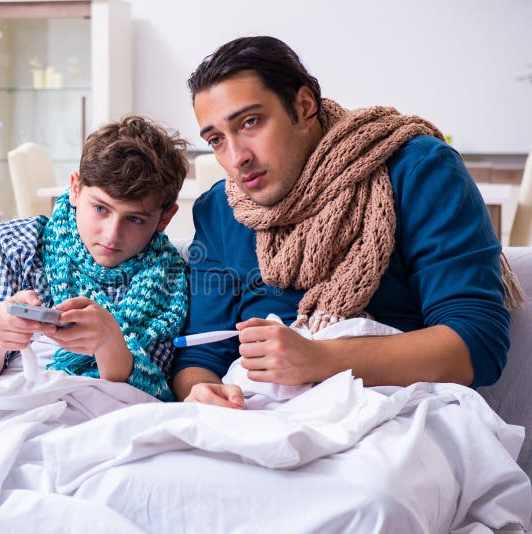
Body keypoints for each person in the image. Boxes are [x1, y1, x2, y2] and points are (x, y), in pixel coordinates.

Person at [171, 36, 523, 406]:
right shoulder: (217, 209)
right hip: (255, 414)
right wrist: (200, 390)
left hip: (392, 413)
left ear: (304, 105)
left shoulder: (418, 169)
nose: (237, 156)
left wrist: (322, 360)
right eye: (216, 140)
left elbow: (478, 341)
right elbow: (199, 356)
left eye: (251, 122)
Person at [0, 115, 189, 401]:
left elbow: (155, 394)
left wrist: (109, 343)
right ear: (75, 189)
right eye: (101, 209)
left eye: (135, 219)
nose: (112, 235)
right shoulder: (16, 244)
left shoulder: (169, 278)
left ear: (165, 218)